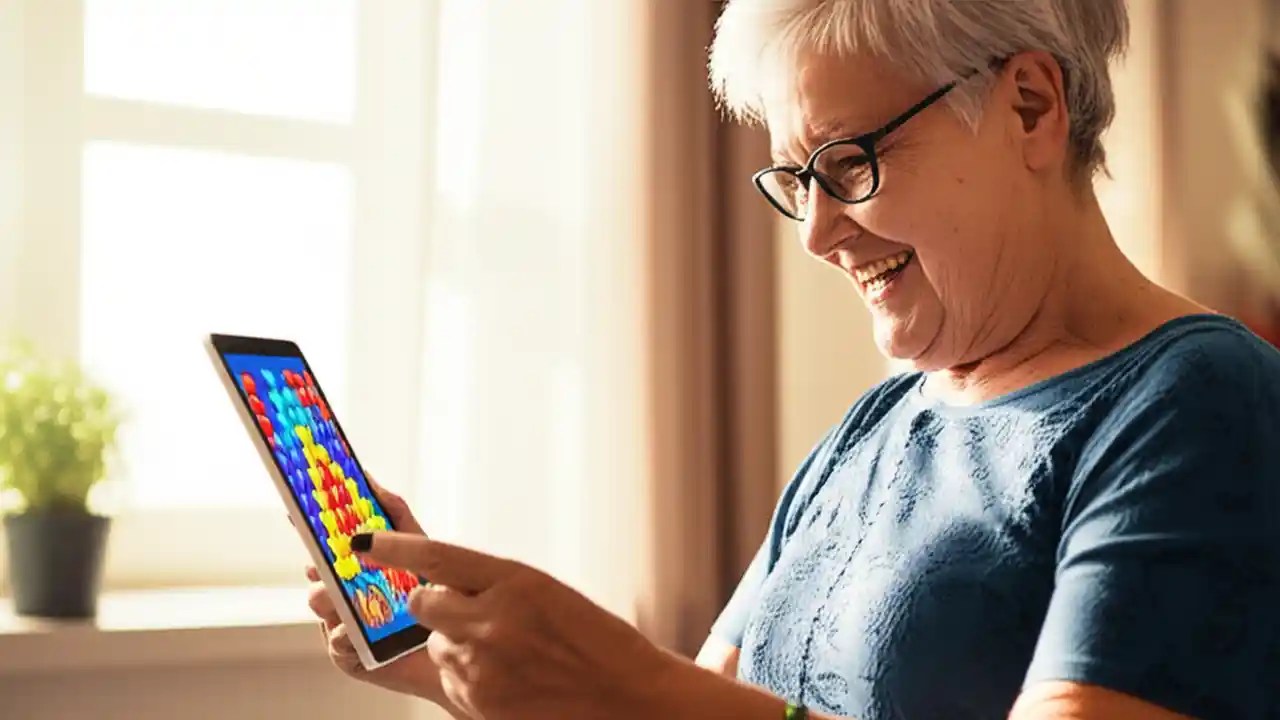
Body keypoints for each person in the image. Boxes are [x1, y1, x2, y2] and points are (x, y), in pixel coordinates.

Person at [307, 0, 1280, 718]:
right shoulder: (874, 428)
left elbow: (676, 707)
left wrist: (633, 687)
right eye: (795, 179)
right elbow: (713, 702)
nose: (815, 234)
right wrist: (471, 673)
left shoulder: (1197, 401)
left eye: (848, 162)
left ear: (1029, 106)